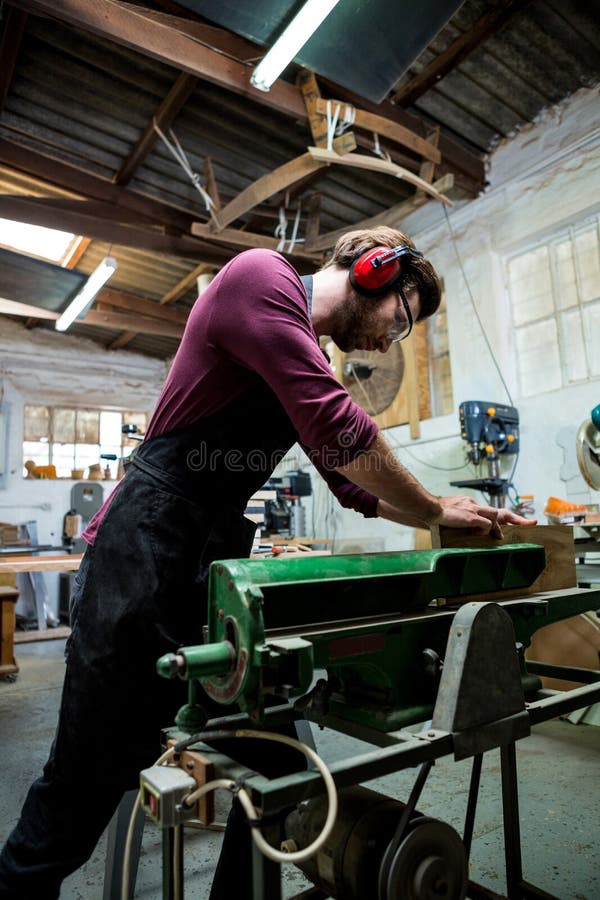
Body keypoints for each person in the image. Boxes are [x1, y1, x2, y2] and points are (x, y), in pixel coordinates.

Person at [0, 226, 532, 899]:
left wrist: (448, 509)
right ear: (372, 271)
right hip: (141, 554)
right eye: (401, 319)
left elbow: (351, 486)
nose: (388, 341)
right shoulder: (261, 279)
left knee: (284, 769)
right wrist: (430, 509)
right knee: (76, 799)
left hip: (208, 568)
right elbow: (341, 432)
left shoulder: (306, 354)